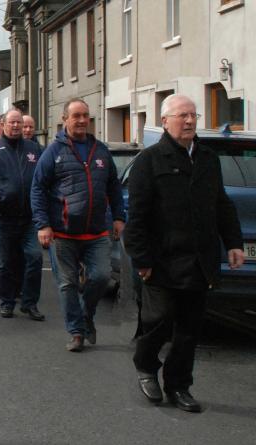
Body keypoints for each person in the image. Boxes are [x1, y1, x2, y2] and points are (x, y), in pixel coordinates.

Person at [125, 94, 244, 412]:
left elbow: (221, 204)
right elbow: (136, 215)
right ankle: (147, 367)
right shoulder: (150, 161)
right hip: (161, 261)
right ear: (165, 121)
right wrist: (142, 259)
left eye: (193, 115)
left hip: (199, 261)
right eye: (183, 115)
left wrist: (233, 242)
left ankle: (179, 385)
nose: (190, 121)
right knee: (159, 321)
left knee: (189, 329)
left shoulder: (208, 158)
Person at [30, 99, 125, 352]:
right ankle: (76, 332)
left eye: (85, 116)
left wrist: (118, 216)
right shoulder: (53, 152)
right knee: (67, 283)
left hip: (96, 232)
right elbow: (38, 188)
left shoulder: (101, 150)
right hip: (63, 233)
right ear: (65, 119)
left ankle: (86, 316)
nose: (82, 120)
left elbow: (114, 186)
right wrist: (43, 224)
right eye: (76, 116)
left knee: (102, 277)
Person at [0, 109, 45, 321]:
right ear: (2, 124)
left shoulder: (35, 149)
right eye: (12, 122)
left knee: (34, 258)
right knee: (5, 263)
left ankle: (29, 303)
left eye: (20, 123)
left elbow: (44, 180)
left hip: (30, 218)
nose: (17, 126)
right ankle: (7, 302)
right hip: (2, 217)